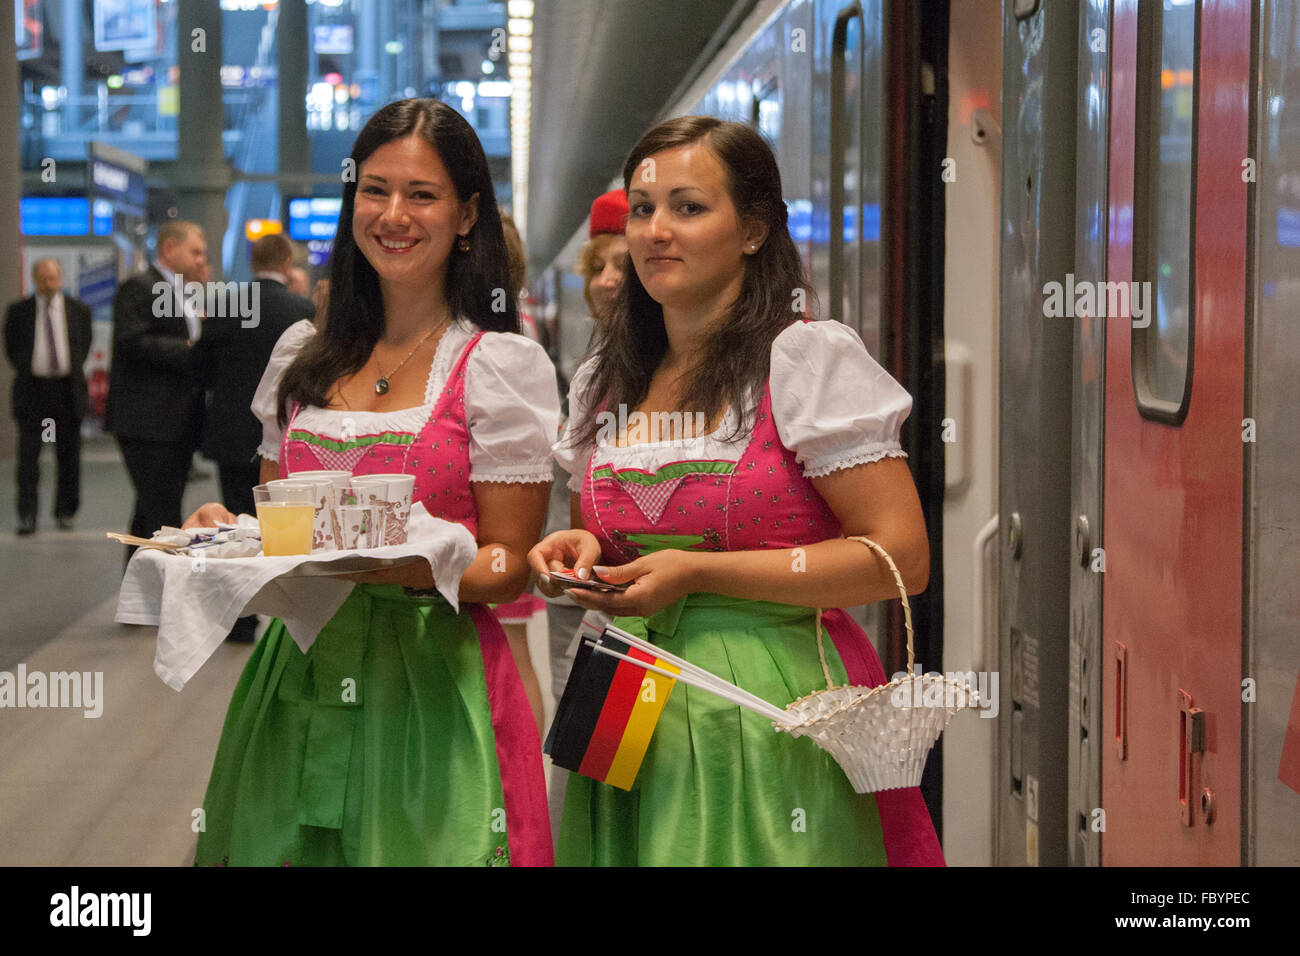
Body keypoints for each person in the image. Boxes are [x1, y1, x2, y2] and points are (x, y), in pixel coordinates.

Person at [529, 116, 944, 866]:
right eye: (643, 209)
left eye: (689, 208)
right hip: (628, 700)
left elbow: (900, 560)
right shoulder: (608, 381)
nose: (657, 230)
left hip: (774, 707)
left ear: (752, 230)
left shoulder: (804, 359)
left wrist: (699, 573)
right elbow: (615, 536)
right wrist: (584, 547)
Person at [183, 98, 559, 866]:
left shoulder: (496, 368)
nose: (394, 214)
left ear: (466, 216)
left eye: (422, 194)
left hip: (433, 682)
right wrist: (228, 538)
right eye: (375, 189)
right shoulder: (301, 357)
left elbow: (508, 563)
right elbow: (279, 527)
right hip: (299, 672)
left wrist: (419, 567)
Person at [539, 188, 629, 838]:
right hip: (604, 625)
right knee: (593, 805)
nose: (606, 282)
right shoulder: (596, 374)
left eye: (620, 264)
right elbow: (582, 518)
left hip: (678, 641)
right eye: (597, 266)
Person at [193, 233, 315, 642]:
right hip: (282, 434)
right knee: (281, 521)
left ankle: (240, 620)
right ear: (285, 262)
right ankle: (288, 609)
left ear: (251, 261)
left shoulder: (226, 303)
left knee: (235, 520)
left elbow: (200, 367)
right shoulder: (302, 310)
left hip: (230, 430)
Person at [106, 220, 208, 560]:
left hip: (174, 419)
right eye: (195, 252)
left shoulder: (182, 290)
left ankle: (141, 601)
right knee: (162, 513)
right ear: (169, 248)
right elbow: (131, 340)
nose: (199, 260)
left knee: (150, 514)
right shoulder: (139, 286)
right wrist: (191, 347)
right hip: (146, 419)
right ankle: (159, 600)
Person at [4, 259, 93, 534]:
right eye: (43, 278)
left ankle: (66, 511)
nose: (49, 284)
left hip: (67, 391)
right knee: (29, 457)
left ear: (61, 278)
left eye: (53, 278)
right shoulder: (19, 312)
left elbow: (84, 344)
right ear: (35, 280)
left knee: (68, 455)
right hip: (33, 391)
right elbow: (11, 347)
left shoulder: (78, 310)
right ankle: (27, 514)